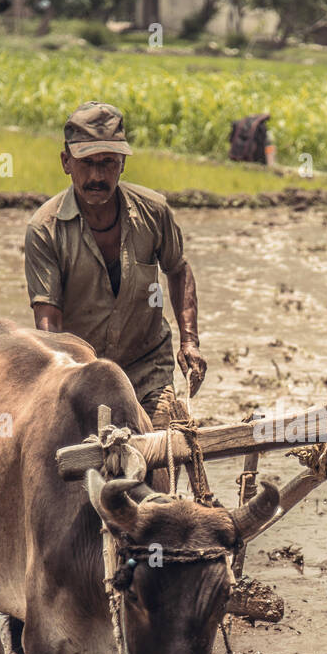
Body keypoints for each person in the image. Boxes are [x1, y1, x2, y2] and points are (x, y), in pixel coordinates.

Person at [24, 102, 206, 424]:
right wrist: (59, 377)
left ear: (122, 164)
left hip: (147, 367)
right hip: (82, 374)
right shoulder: (46, 229)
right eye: (87, 163)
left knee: (159, 456)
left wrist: (189, 341)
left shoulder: (154, 212)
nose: (97, 176)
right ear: (66, 162)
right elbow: (49, 320)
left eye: (107, 163)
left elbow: (178, 269)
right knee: (75, 465)